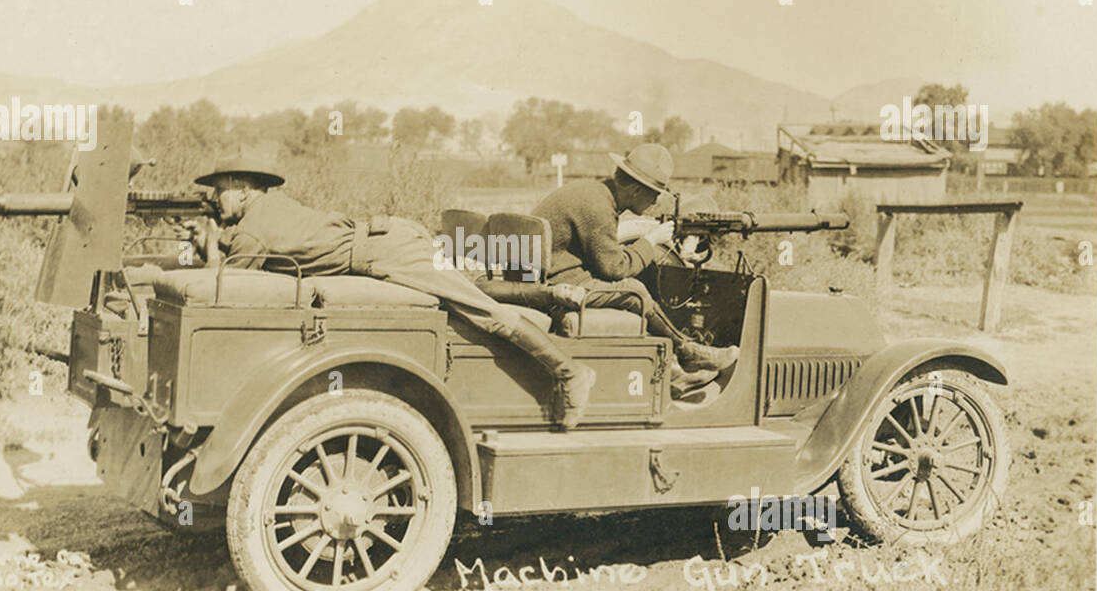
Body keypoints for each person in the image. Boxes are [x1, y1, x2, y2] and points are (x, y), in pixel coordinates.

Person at [178, 152, 597, 430]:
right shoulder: (263, 213)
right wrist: (209, 239)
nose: (215, 200)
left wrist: (210, 242)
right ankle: (551, 297)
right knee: (467, 288)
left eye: (219, 192)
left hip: (386, 250)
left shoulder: (255, 225)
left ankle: (570, 371)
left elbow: (227, 286)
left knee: (480, 309)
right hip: (384, 243)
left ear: (241, 186)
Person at [531, 143, 739, 375]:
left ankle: (670, 366)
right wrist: (650, 241)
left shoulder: (595, 193)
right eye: (655, 193)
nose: (655, 202)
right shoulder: (598, 206)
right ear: (636, 191)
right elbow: (614, 268)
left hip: (548, 274)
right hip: (556, 283)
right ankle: (687, 351)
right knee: (634, 291)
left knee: (636, 281)